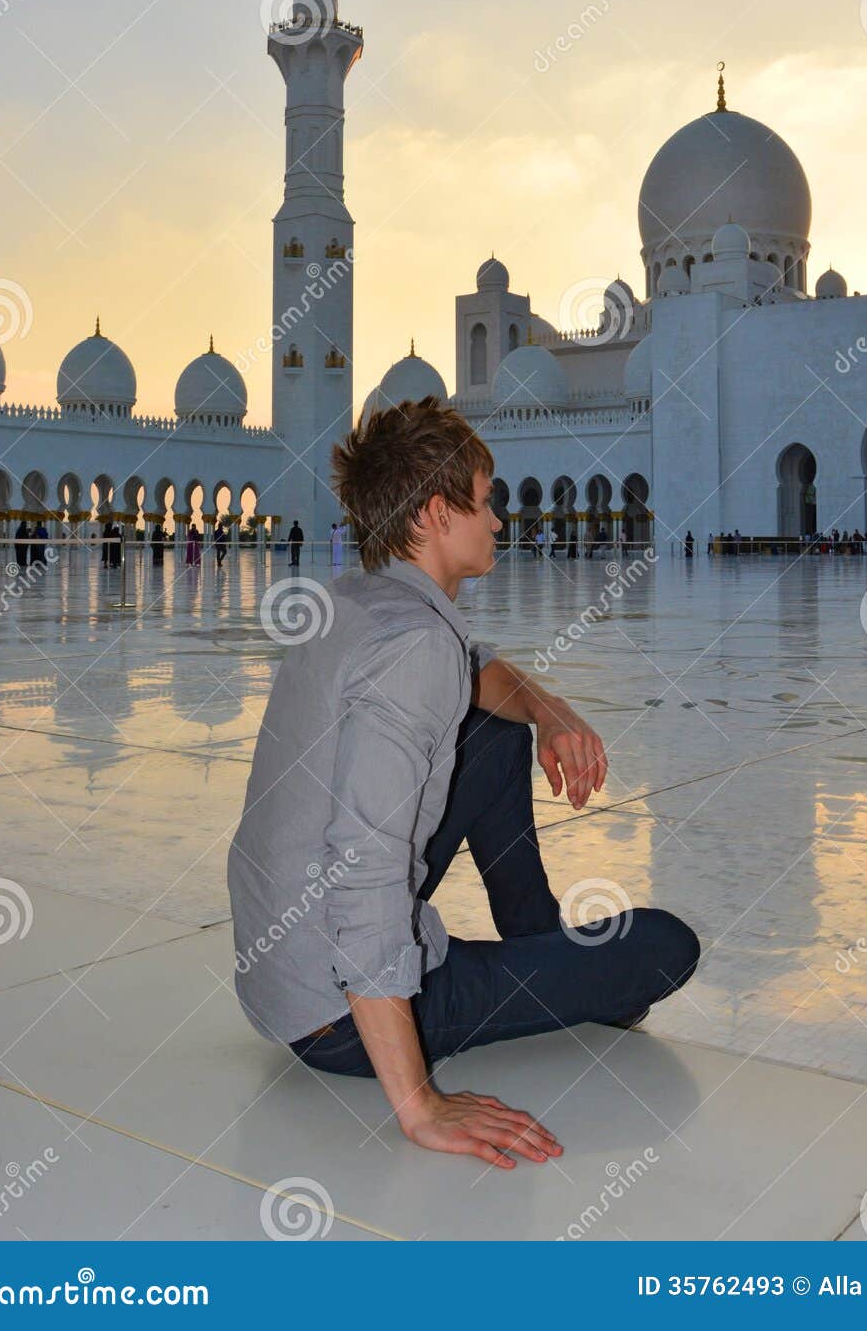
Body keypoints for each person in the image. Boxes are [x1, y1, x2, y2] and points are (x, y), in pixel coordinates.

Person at [228, 394, 700, 1172]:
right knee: (662, 947)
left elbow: (478, 671)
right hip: (333, 1012)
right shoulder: (415, 648)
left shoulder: (355, 599)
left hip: (277, 969)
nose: (498, 521)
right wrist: (419, 1105)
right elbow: (366, 871)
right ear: (437, 516)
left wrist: (553, 713)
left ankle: (536, 940)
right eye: (484, 502)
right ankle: (553, 971)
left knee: (495, 730)